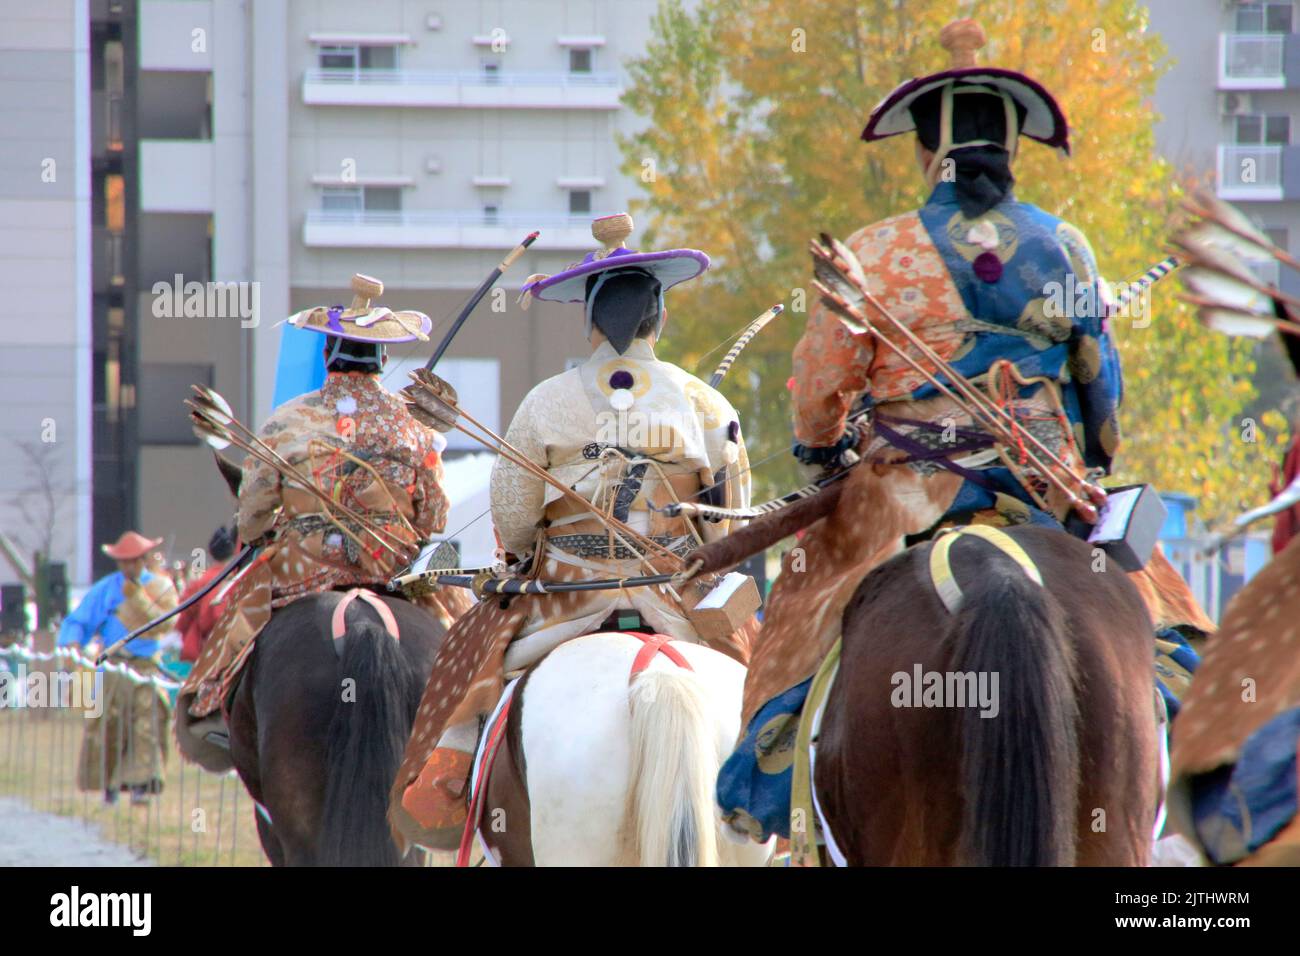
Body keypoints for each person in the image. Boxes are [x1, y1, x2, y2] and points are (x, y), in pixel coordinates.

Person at [718, 18, 1212, 843]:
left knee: (804, 600)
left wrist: (819, 453)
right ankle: (1191, 756)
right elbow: (1104, 398)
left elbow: (816, 398)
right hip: (1045, 482)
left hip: (902, 498)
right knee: (1159, 617)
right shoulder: (1067, 250)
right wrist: (1092, 454)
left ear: (924, 152)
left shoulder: (871, 256)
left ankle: (767, 775)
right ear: (1012, 150)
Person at [390, 213, 755, 850]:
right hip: (680, 605)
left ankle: (448, 796)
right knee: (776, 687)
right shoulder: (707, 403)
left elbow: (513, 519)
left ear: (590, 321)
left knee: (462, 664)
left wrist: (527, 554)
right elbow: (733, 520)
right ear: (658, 318)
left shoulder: (545, 402)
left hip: (561, 605)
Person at [176, 274, 471, 756]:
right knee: (461, 632)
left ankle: (209, 706)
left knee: (239, 616)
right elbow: (435, 516)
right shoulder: (414, 429)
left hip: (301, 567)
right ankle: (476, 714)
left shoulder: (287, 419)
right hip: (391, 567)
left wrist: (264, 530)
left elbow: (251, 515)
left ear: (328, 354)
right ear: (382, 359)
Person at [58, 530, 179, 804]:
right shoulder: (105, 589)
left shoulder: (160, 587)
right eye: (124, 561)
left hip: (146, 669)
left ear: (144, 560)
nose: (129, 566)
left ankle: (141, 784)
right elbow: (78, 620)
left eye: (135, 560)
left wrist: (137, 597)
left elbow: (165, 622)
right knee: (108, 728)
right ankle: (108, 786)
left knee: (145, 725)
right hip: (112, 668)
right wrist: (73, 643)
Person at [175, 524, 236, 663]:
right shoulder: (241, 578)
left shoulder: (201, 582)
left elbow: (183, 618)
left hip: (206, 650)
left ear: (211, 552)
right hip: (232, 646)